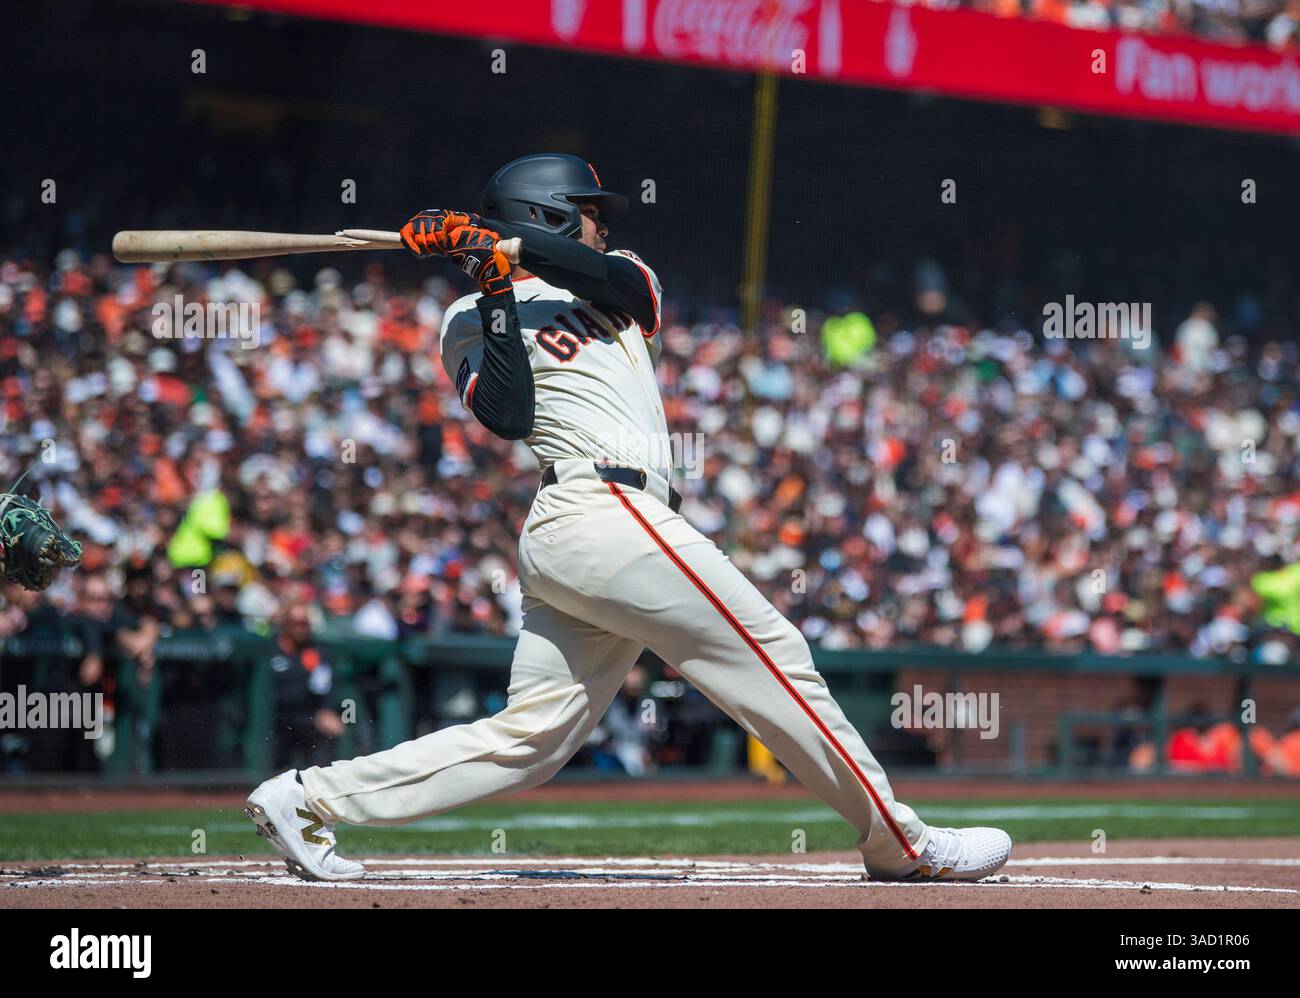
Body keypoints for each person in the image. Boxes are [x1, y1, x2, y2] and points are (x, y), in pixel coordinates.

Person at [245, 153, 1012, 883]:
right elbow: (508, 416)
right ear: (547, 211)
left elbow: (616, 280)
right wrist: (493, 283)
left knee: (534, 739)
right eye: (586, 211)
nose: (602, 224)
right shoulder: (466, 318)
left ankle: (307, 797)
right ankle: (900, 842)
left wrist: (504, 249)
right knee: (774, 650)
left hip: (608, 526)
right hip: (592, 508)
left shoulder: (620, 276)